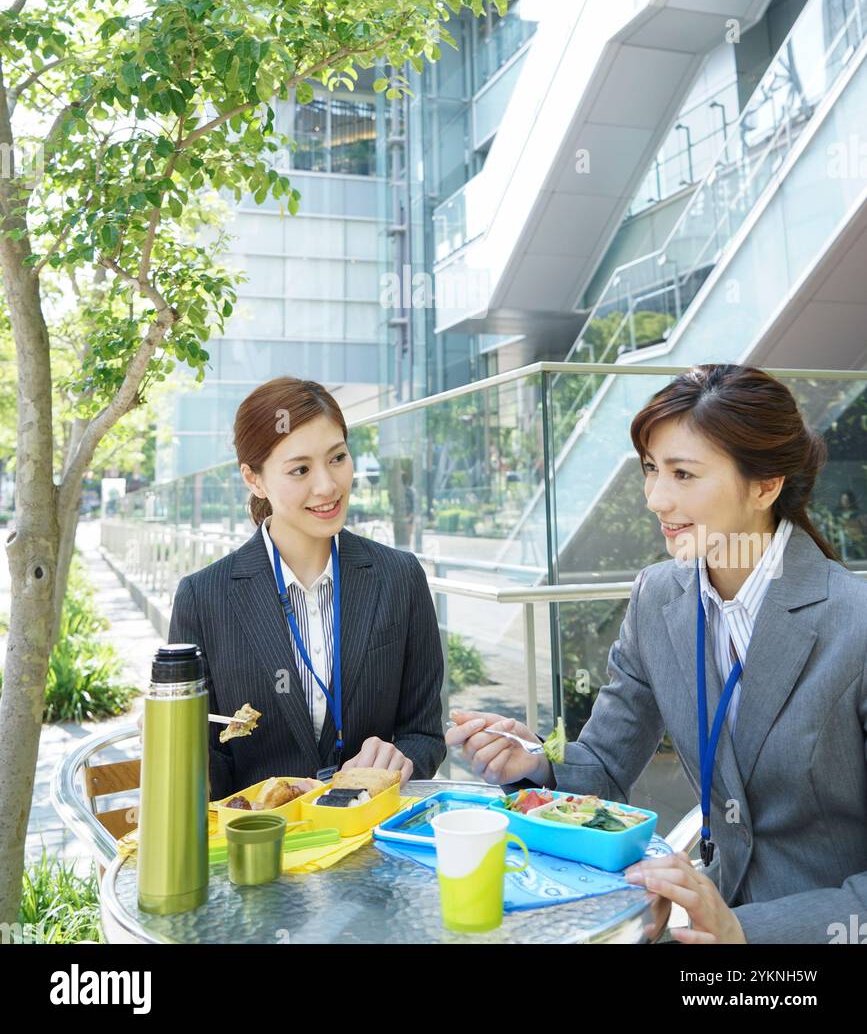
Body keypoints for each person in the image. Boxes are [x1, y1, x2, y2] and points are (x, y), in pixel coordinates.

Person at [447, 364, 867, 945]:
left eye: (683, 474)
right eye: (650, 470)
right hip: (695, 920)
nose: (655, 498)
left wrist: (749, 931)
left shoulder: (856, 624)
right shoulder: (658, 597)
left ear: (766, 485)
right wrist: (535, 767)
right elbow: (603, 767)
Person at [168, 376, 445, 800]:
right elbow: (207, 773)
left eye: (337, 458)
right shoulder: (204, 598)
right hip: (262, 850)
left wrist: (398, 758)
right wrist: (172, 748)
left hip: (371, 841)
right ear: (254, 479)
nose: (328, 486)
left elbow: (424, 735)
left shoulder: (399, 577)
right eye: (300, 469)